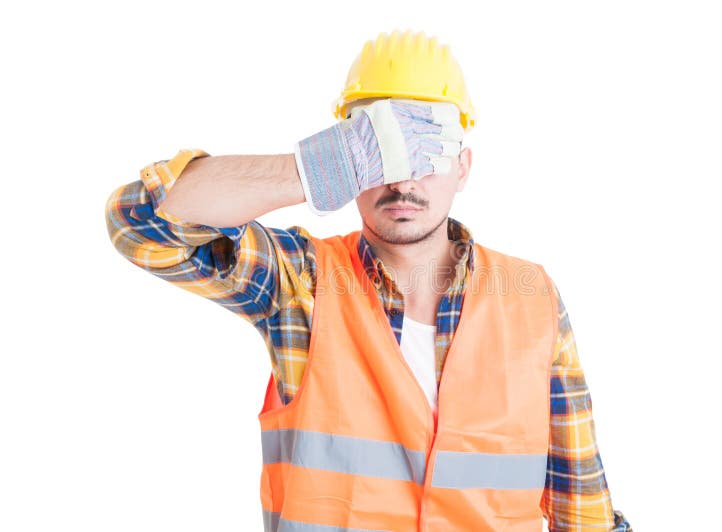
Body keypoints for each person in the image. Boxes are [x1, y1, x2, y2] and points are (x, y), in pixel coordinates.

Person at [106, 29, 631, 531]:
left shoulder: (533, 297)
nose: (402, 179)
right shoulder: (300, 284)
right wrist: (314, 169)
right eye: (379, 153)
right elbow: (141, 222)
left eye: (427, 151)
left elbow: (579, 498)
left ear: (463, 169)